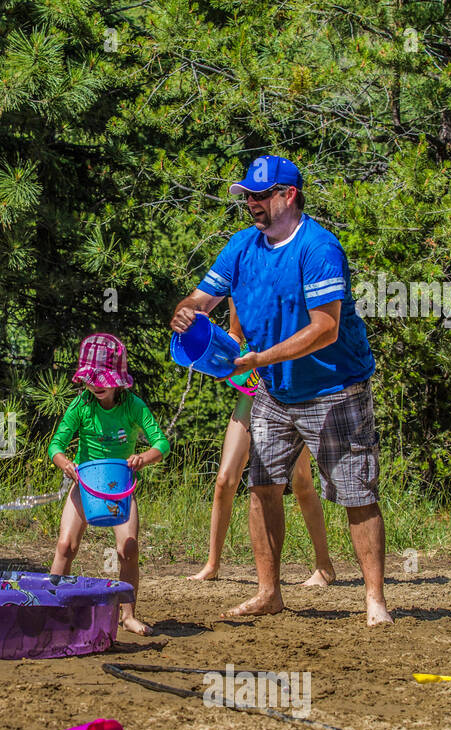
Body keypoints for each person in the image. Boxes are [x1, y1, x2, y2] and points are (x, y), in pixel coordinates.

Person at [170, 155, 392, 625]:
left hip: (335, 388)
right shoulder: (240, 247)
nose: (250, 203)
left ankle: (375, 599)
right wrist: (187, 311)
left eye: (259, 195)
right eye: (247, 195)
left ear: (288, 195)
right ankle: (269, 592)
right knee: (263, 484)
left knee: (355, 491)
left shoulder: (318, 248)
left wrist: (261, 358)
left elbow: (325, 329)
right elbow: (202, 297)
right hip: (274, 390)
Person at [188, 302, 336, 586]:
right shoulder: (243, 281)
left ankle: (324, 566)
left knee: (302, 481)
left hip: (289, 394)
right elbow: (234, 335)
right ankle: (212, 564)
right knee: (224, 479)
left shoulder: (290, 282)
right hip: (253, 393)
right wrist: (224, 348)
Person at [48, 333, 171, 636]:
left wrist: (144, 458)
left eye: (103, 379)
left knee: (128, 548)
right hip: (84, 485)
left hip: (120, 487)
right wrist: (65, 463)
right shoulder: (81, 406)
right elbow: (56, 445)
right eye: (91, 379)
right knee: (65, 545)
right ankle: (51, 608)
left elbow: (162, 443)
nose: (97, 385)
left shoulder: (133, 405)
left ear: (119, 379)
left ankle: (127, 615)